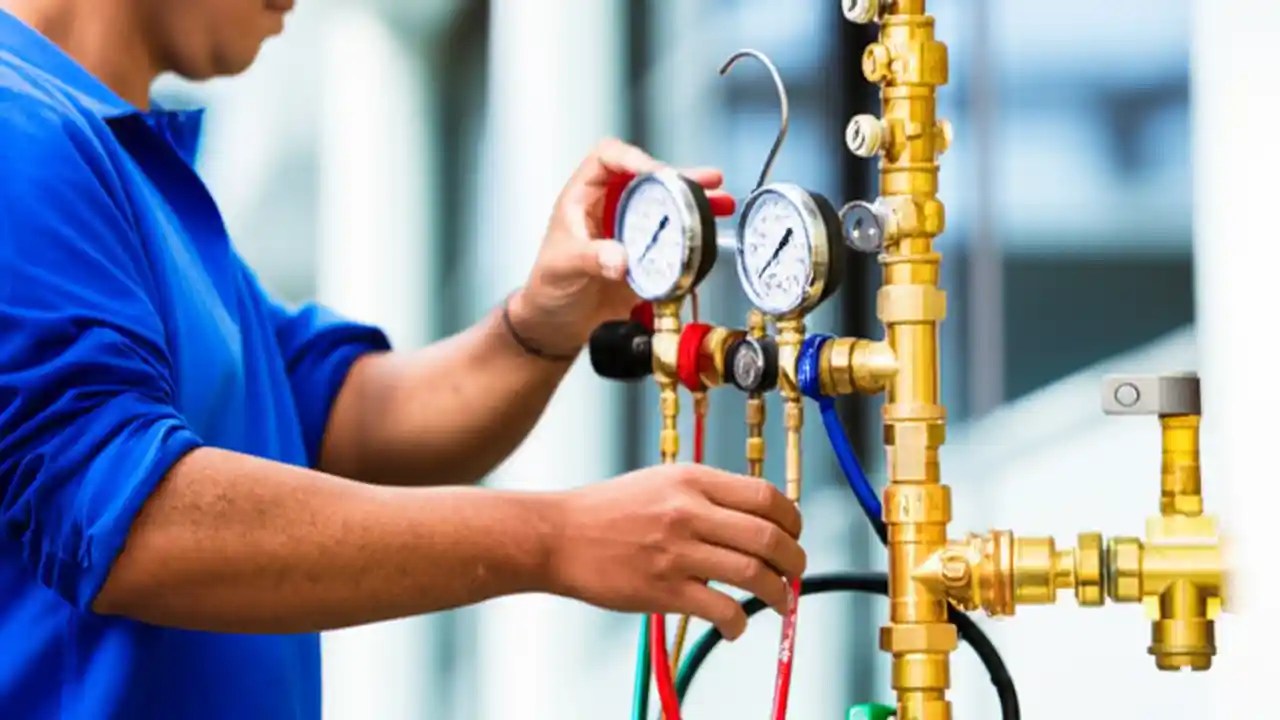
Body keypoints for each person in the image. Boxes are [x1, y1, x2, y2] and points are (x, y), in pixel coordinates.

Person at [0, 0, 808, 718]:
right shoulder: (17, 127)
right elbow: (132, 518)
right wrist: (556, 538)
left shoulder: (120, 166)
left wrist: (543, 321)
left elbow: (346, 417)